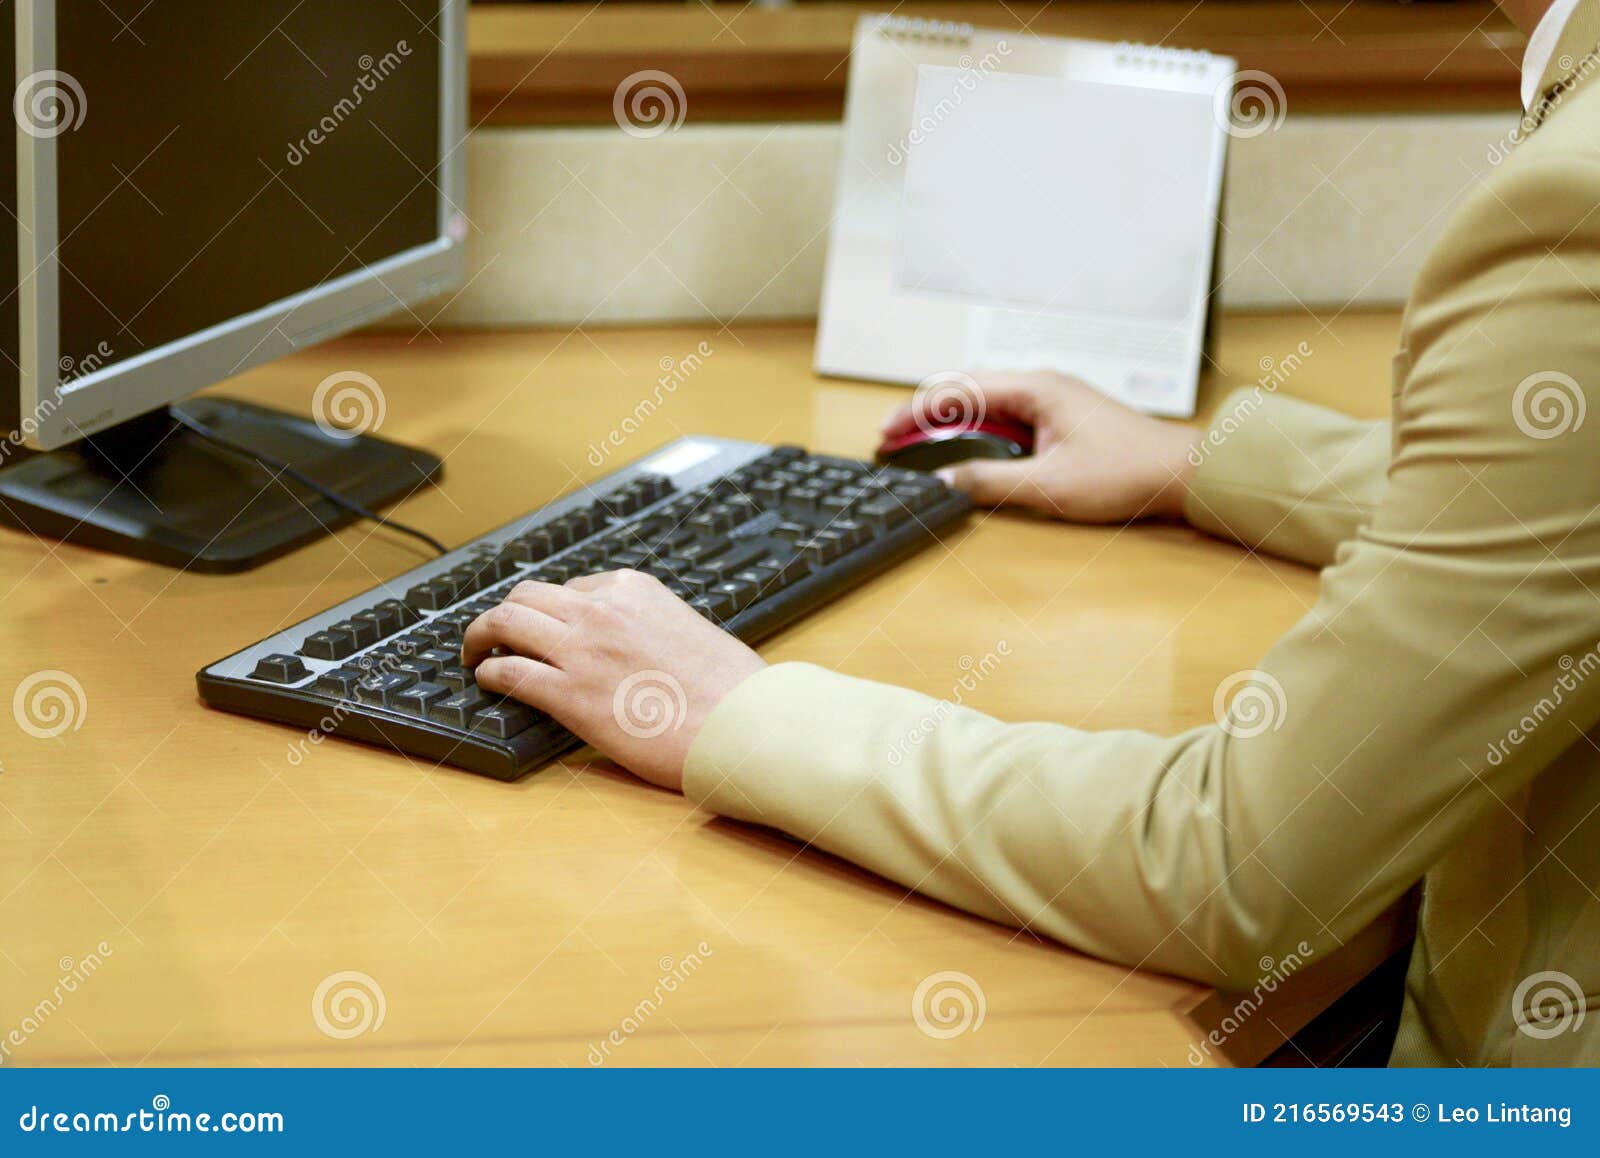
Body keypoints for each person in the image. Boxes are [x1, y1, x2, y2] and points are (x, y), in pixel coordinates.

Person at [463, 0, 1599, 1066]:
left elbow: (1232, 864)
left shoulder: (1572, 204)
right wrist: (1198, 461)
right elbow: (1547, 503)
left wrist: (734, 710)